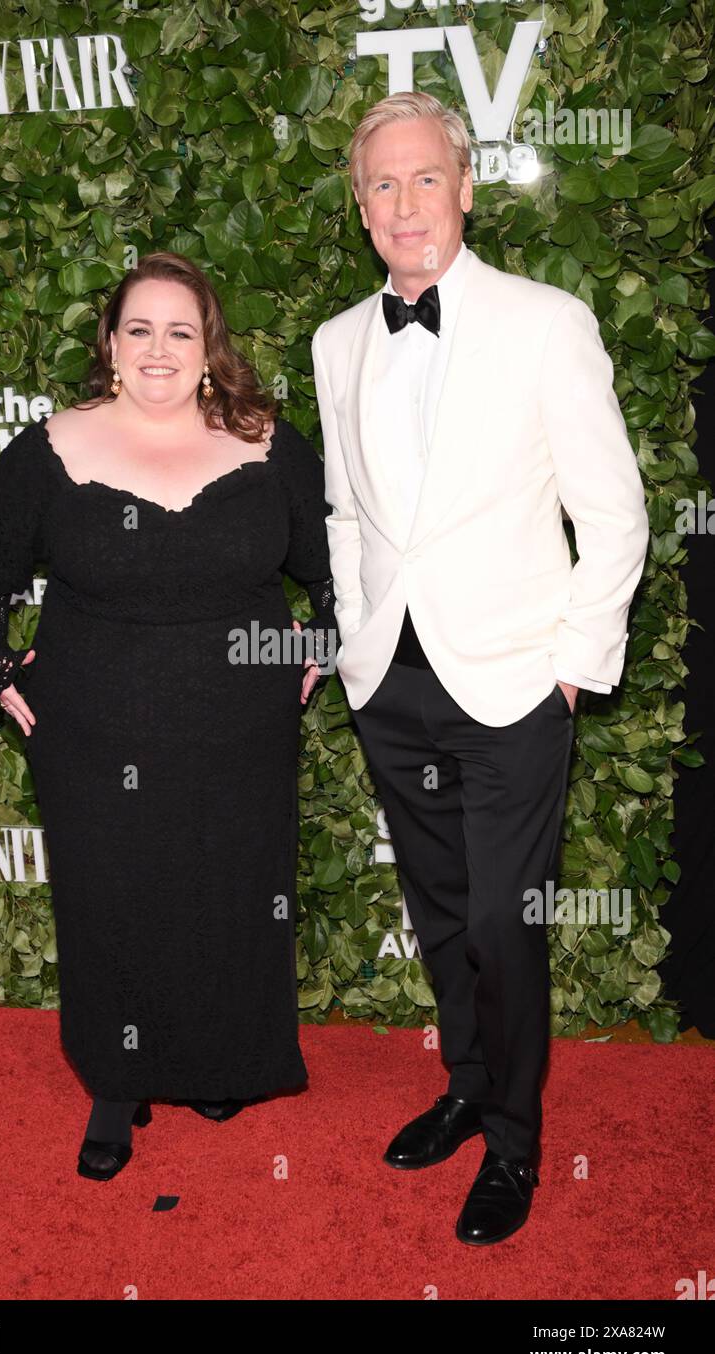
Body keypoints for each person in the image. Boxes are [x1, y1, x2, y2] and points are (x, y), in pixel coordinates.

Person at [311, 92, 649, 1244]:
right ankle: (463, 1081)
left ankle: (513, 1138)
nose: (403, 205)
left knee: (505, 923)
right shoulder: (335, 342)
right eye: (380, 186)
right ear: (361, 212)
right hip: (392, 681)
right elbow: (346, 512)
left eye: (421, 179)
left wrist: (573, 665)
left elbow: (614, 514)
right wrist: (360, 640)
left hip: (512, 679)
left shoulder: (546, 322)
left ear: (463, 186)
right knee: (440, 908)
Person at [0, 252, 338, 1181]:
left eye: (180, 330)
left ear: (209, 349)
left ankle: (222, 1060)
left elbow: (336, 560)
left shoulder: (268, 441)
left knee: (231, 890)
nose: (159, 349)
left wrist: (320, 644)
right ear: (111, 345)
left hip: (239, 725)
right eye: (140, 329)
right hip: (95, 725)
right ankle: (119, 1080)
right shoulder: (57, 444)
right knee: (114, 897)